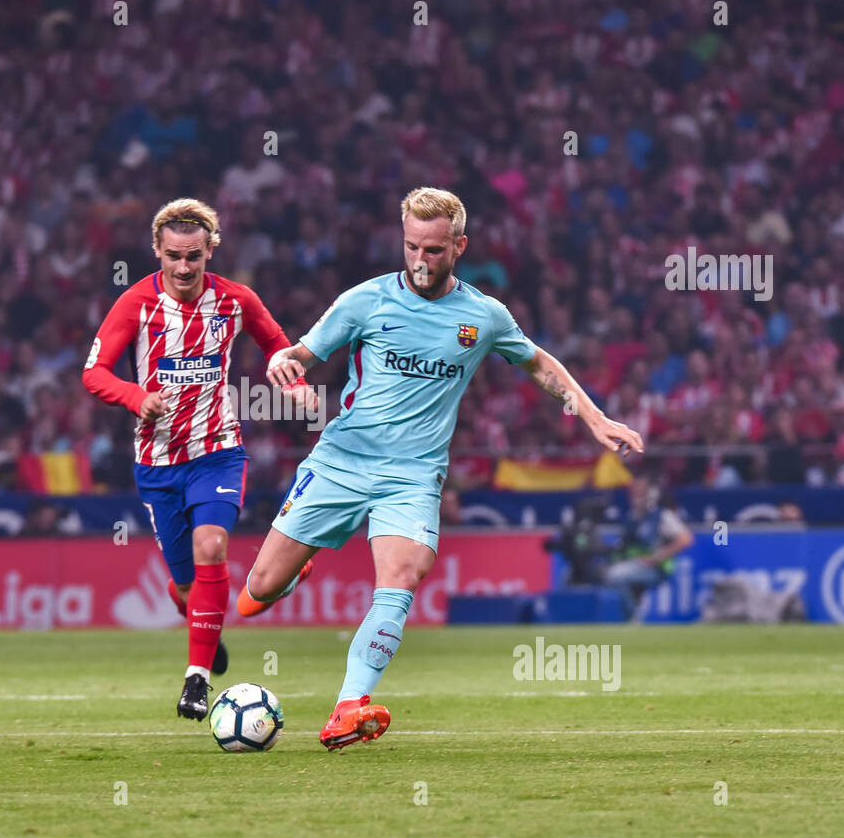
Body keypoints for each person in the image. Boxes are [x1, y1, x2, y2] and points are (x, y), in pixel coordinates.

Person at [236, 187, 644, 749]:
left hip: (412, 476)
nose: (420, 262)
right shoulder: (365, 301)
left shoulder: (482, 316)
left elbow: (540, 364)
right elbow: (299, 355)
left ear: (459, 246)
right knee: (256, 593)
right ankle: (299, 567)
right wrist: (286, 367)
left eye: (433, 250)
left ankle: (347, 707)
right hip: (340, 463)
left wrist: (593, 417)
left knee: (402, 576)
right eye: (411, 248)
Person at [82, 197, 316, 720]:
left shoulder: (236, 301)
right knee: (187, 584)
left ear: (211, 249)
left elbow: (279, 347)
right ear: (157, 252)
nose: (183, 267)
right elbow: (94, 373)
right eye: (173, 256)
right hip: (157, 463)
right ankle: (201, 627)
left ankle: (195, 680)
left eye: (194, 256)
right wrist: (136, 397)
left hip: (218, 453)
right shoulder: (135, 304)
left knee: (212, 544)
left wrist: (295, 384)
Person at [601, 475, 693, 619]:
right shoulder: (632, 516)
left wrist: (655, 558)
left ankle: (634, 617)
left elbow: (685, 539)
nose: (636, 496)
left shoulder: (661, 515)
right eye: (633, 492)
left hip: (655, 568)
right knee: (599, 570)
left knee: (615, 575)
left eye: (640, 492)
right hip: (632, 564)